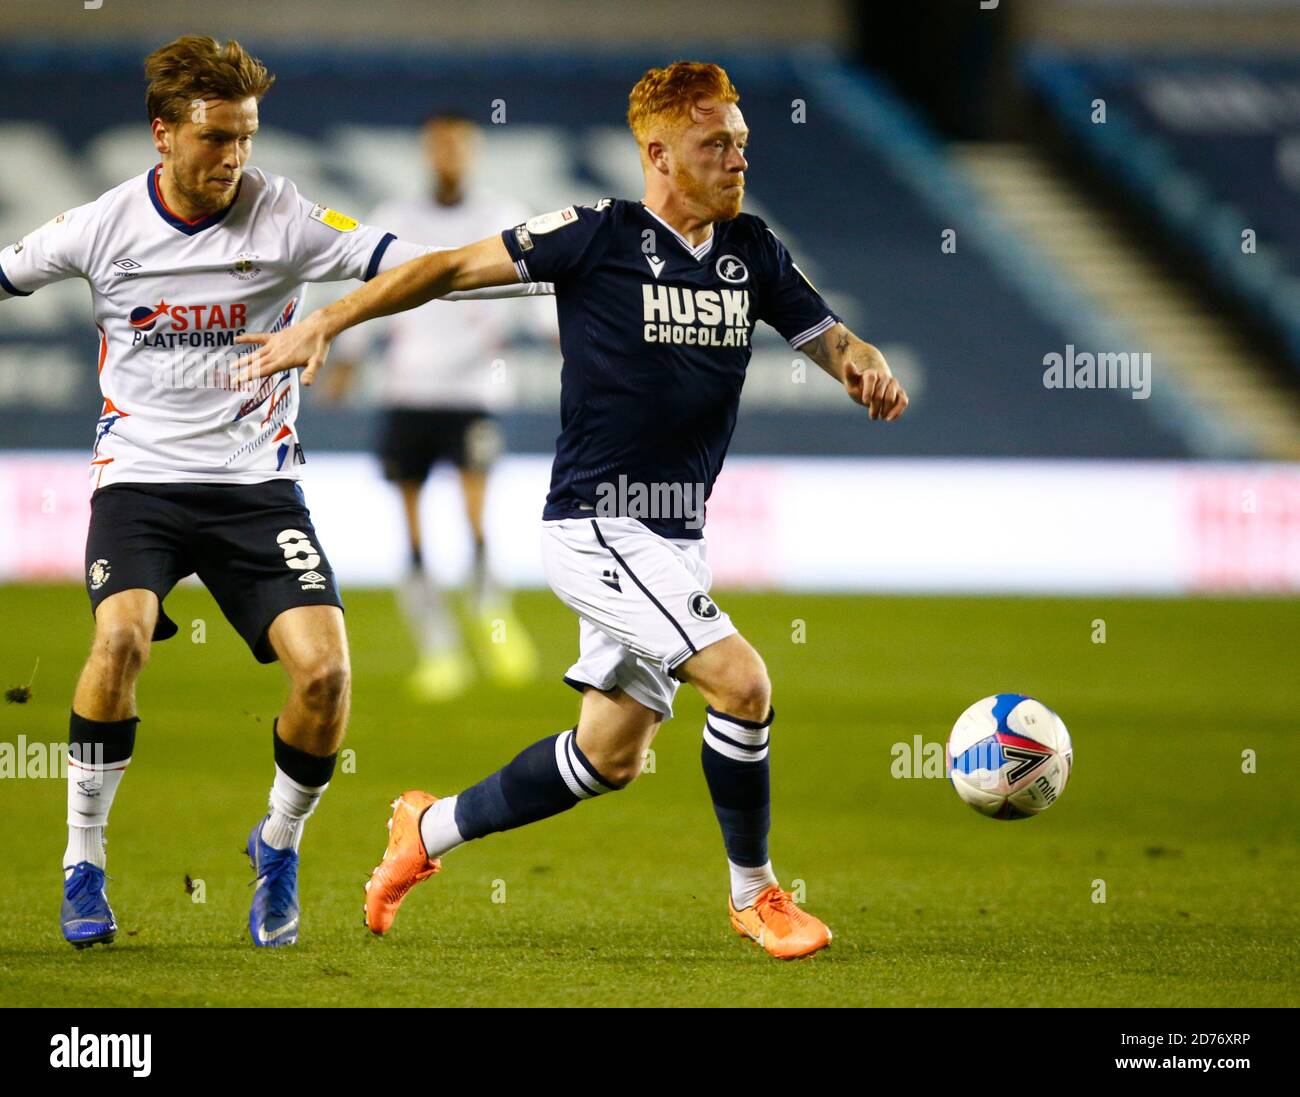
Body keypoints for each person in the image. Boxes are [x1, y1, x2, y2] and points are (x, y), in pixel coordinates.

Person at [238, 61, 908, 959]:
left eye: (743, 143)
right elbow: (442, 267)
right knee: (744, 684)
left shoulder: (754, 249)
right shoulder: (594, 235)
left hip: (676, 537)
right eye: (718, 144)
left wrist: (863, 360)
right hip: (599, 522)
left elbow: (828, 336)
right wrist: (328, 321)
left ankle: (424, 831)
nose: (738, 159)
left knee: (609, 756)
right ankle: (756, 896)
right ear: (659, 152)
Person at [0, 35, 546, 950]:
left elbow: (424, 266)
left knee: (327, 674)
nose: (235, 159)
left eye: (247, 137)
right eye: (216, 139)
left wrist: (545, 262)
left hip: (258, 491)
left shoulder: (284, 216)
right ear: (162, 134)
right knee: (121, 635)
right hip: (140, 480)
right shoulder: (99, 227)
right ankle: (83, 858)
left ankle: (277, 844)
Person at [327, 112, 547, 701]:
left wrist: (564, 338)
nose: (448, 154)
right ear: (428, 150)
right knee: (415, 530)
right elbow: (371, 291)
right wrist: (346, 355)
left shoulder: (500, 217)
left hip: (474, 393)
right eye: (440, 144)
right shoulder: (398, 218)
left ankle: (492, 619)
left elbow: (536, 290)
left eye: (458, 144)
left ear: (470, 150)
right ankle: (438, 649)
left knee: (476, 518)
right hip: (409, 392)